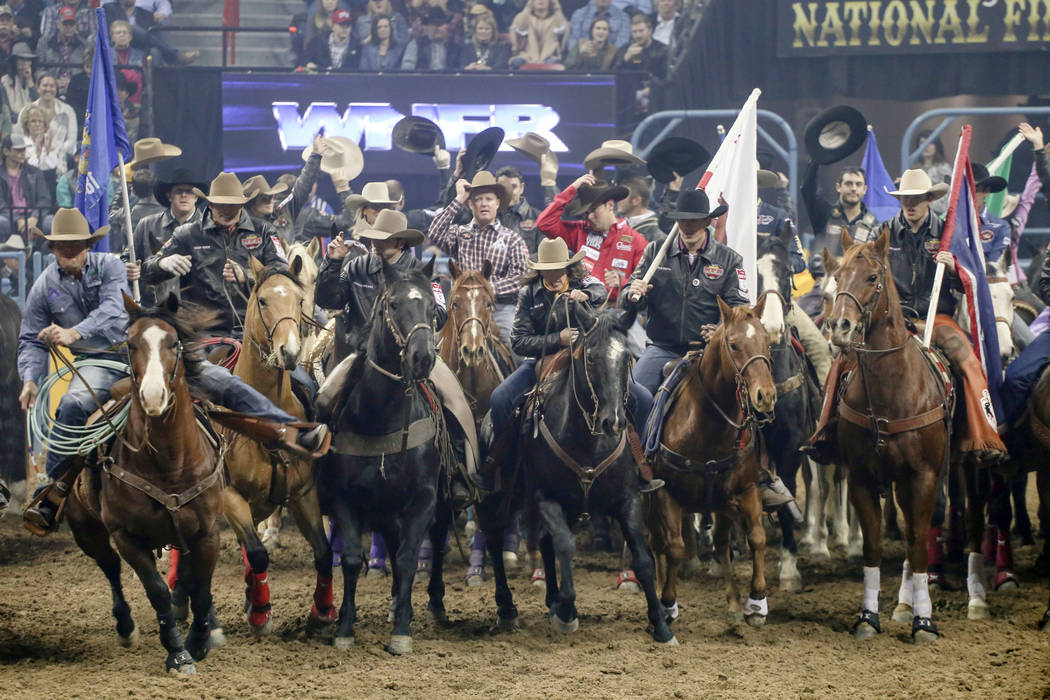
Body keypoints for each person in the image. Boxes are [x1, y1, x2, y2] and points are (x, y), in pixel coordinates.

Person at [19, 208, 328, 534]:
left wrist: (73, 333)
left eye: (77, 245)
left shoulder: (108, 265)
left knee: (222, 380)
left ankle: (290, 428)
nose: (71, 252)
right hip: (98, 362)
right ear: (52, 249)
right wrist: (29, 378)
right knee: (72, 405)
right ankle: (52, 490)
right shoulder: (44, 286)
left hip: (145, 350)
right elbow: (29, 338)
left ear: (87, 246)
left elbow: (113, 309)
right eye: (64, 247)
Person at [804, 169, 1008, 465]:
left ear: (928, 199)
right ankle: (825, 431)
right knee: (842, 359)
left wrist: (954, 268)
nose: (910, 205)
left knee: (967, 358)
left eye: (916, 199)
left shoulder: (947, 233)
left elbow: (971, 281)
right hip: (889, 318)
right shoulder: (882, 234)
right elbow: (861, 272)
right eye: (905, 200)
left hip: (937, 316)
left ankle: (982, 434)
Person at [623, 188, 797, 510]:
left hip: (712, 350)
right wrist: (632, 292)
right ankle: (640, 465)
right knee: (633, 393)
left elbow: (741, 308)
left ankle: (761, 472)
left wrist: (719, 329)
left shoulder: (728, 259)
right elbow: (629, 300)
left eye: (695, 221)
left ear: (707, 221)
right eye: (682, 221)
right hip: (661, 346)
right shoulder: (653, 254)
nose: (688, 227)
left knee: (752, 395)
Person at [486, 235, 660, 490]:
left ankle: (637, 464)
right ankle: (505, 465)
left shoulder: (582, 280)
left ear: (568, 267)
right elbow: (519, 341)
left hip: (589, 361)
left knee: (642, 399)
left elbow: (600, 290)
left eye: (559, 269)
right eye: (549, 271)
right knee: (500, 399)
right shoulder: (528, 293)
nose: (555, 275)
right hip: (542, 361)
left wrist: (585, 294)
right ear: (541, 271)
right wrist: (559, 339)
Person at [141, 172, 288, 339]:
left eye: (232, 205)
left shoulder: (264, 230)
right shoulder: (187, 234)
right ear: (210, 204)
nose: (227, 211)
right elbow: (146, 269)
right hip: (205, 331)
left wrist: (247, 275)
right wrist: (162, 263)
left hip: (257, 326)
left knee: (296, 366)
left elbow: (283, 272)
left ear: (242, 205)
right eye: (220, 205)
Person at [427, 170, 530, 343]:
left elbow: (520, 277)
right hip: (462, 307)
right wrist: (458, 198)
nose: (483, 204)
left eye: (488, 199)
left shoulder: (512, 238)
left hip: (499, 309)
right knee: (436, 344)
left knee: (513, 344)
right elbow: (434, 232)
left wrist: (486, 289)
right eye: (477, 199)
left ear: (497, 203)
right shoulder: (459, 233)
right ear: (470, 204)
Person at [536, 173, 648, 304]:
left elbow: (645, 284)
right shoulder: (579, 231)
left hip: (616, 311)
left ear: (610, 206)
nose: (589, 217)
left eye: (594, 210)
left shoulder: (636, 241)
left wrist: (622, 283)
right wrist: (571, 189)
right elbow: (544, 224)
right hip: (581, 307)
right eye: (586, 212)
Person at [126, 168, 203, 307]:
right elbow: (128, 258)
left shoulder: (208, 229)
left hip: (198, 311)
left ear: (196, 196)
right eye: (179, 191)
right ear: (169, 196)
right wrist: (127, 268)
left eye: (190, 191)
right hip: (154, 307)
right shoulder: (146, 225)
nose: (184, 195)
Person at [801, 164, 880, 280]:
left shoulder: (874, 225)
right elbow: (808, 189)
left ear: (864, 190)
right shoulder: (824, 214)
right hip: (823, 285)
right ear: (838, 187)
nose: (853, 188)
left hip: (855, 291)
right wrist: (816, 159)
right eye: (848, 183)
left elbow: (877, 262)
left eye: (858, 184)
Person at [103, 0, 199, 65]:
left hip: (140, 49)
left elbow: (150, 39)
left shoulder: (145, 15)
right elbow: (109, 28)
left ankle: (153, 87)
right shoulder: (109, 8)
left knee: (155, 52)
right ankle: (174, 56)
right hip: (116, 44)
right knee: (131, 29)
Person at [0, 132, 50, 241]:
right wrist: (17, 219)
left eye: (23, 149)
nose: (22, 153)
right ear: (6, 151)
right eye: (18, 150)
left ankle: (52, 257)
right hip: (8, 216)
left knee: (51, 222)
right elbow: (1, 204)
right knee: (1, 223)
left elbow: (44, 199)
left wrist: (34, 217)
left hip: (34, 215)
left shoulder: (35, 172)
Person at [20, 72, 77, 160]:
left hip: (60, 158)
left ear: (56, 89)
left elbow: (71, 140)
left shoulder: (68, 111)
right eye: (45, 85)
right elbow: (21, 137)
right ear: (38, 88)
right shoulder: (26, 110)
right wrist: (38, 154)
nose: (48, 89)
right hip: (31, 157)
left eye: (52, 86)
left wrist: (53, 154)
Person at [37, 6, 87, 90]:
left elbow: (88, 71)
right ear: (57, 24)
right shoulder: (44, 43)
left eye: (71, 24)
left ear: (76, 26)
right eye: (65, 24)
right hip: (50, 87)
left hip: (77, 87)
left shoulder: (85, 46)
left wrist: (73, 82)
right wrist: (53, 82)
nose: (68, 28)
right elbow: (38, 70)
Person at [509, 0, 568, 67]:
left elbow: (561, 29)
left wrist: (557, 8)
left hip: (550, 56)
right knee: (516, 63)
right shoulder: (523, 16)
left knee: (553, 64)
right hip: (527, 56)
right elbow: (520, 28)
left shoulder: (556, 17)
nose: (540, 0)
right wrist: (528, 8)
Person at [400, 7, 460, 71]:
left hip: (449, 80)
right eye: (433, 24)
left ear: (446, 26)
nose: (437, 28)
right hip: (422, 80)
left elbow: (460, 68)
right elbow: (407, 67)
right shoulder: (416, 44)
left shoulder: (455, 47)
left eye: (440, 24)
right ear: (427, 26)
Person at [613, 13, 666, 79]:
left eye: (641, 31)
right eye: (635, 32)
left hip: (653, 87)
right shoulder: (624, 49)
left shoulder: (662, 50)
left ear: (650, 31)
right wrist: (626, 58)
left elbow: (665, 79)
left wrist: (651, 88)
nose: (638, 35)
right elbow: (614, 75)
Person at [913, 130, 952, 218]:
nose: (926, 146)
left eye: (930, 143)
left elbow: (949, 193)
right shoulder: (913, 169)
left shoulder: (944, 168)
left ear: (936, 146)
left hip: (938, 215)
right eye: (922, 143)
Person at [617, 175, 662, 243]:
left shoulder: (656, 233)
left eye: (623, 196)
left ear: (636, 200)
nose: (618, 200)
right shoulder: (617, 222)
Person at [2, 41, 35, 115]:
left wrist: (29, 80)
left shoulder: (36, 80)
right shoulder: (5, 81)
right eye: (21, 59)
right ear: (14, 61)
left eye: (28, 60)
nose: (25, 63)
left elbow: (38, 103)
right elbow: (6, 108)